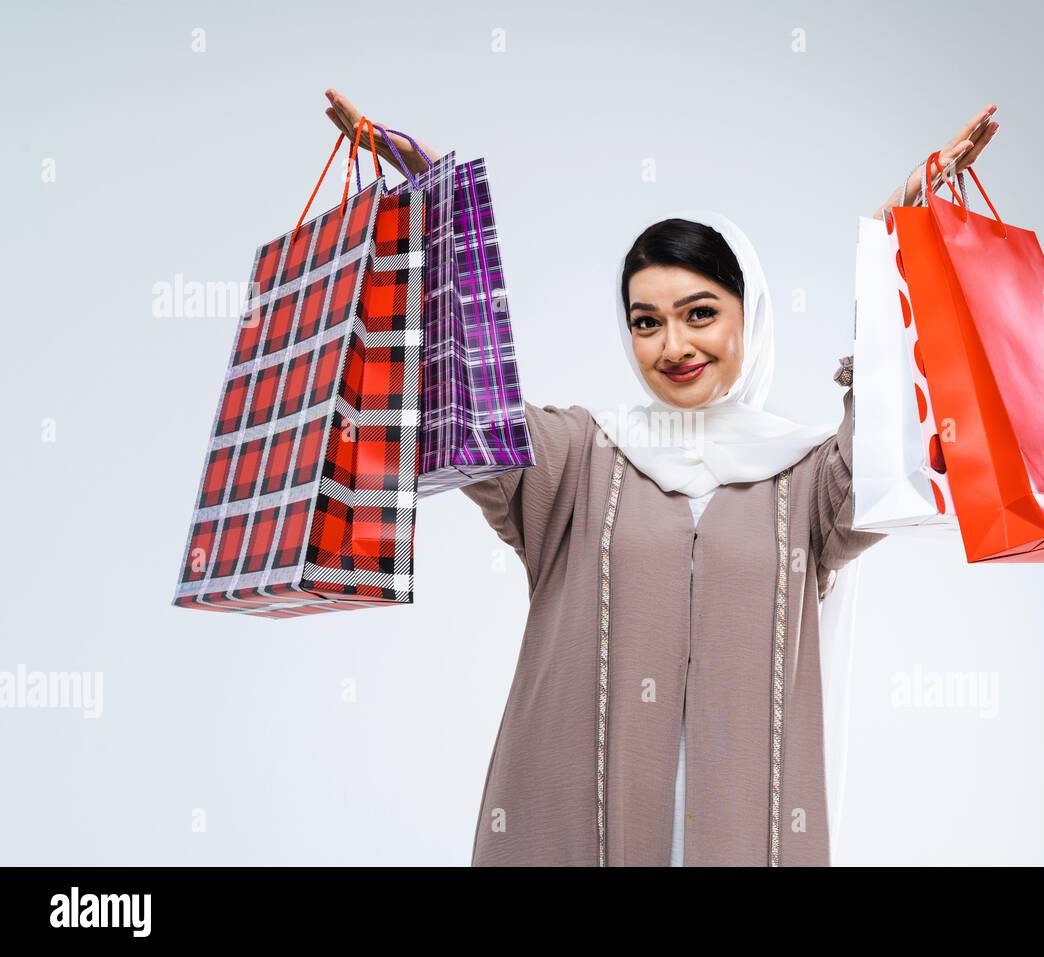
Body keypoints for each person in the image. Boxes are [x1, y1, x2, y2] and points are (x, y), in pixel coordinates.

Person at [322, 89, 1000, 866]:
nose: (672, 344)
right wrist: (434, 220)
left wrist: (897, 245)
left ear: (751, 314)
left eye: (701, 312)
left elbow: (896, 436)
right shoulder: (577, 455)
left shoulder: (812, 481)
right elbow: (466, 399)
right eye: (646, 321)